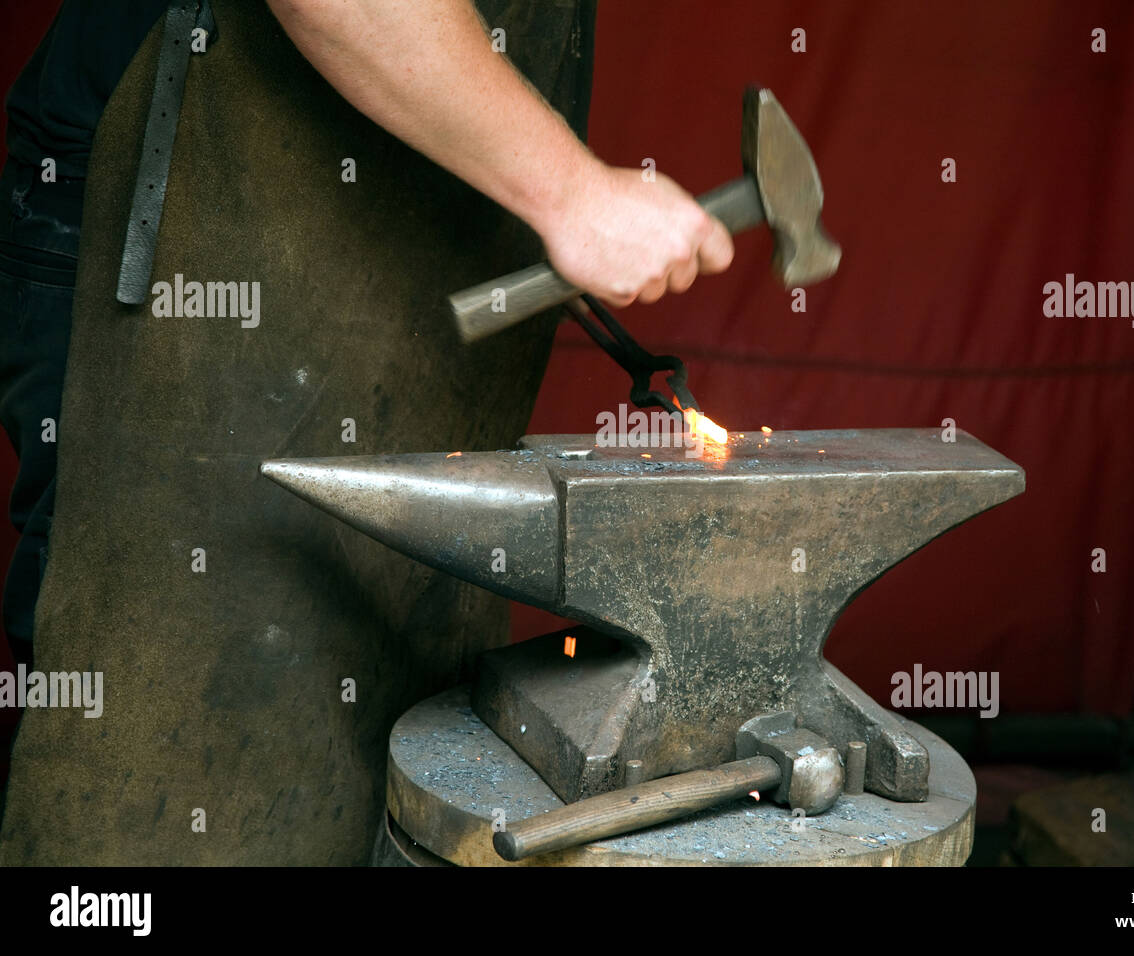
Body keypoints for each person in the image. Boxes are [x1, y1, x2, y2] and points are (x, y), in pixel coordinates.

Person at [0, 0, 731, 864]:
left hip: (394, 269)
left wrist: (515, 200)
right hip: (203, 237)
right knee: (183, 742)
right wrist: (566, 189)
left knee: (389, 744)